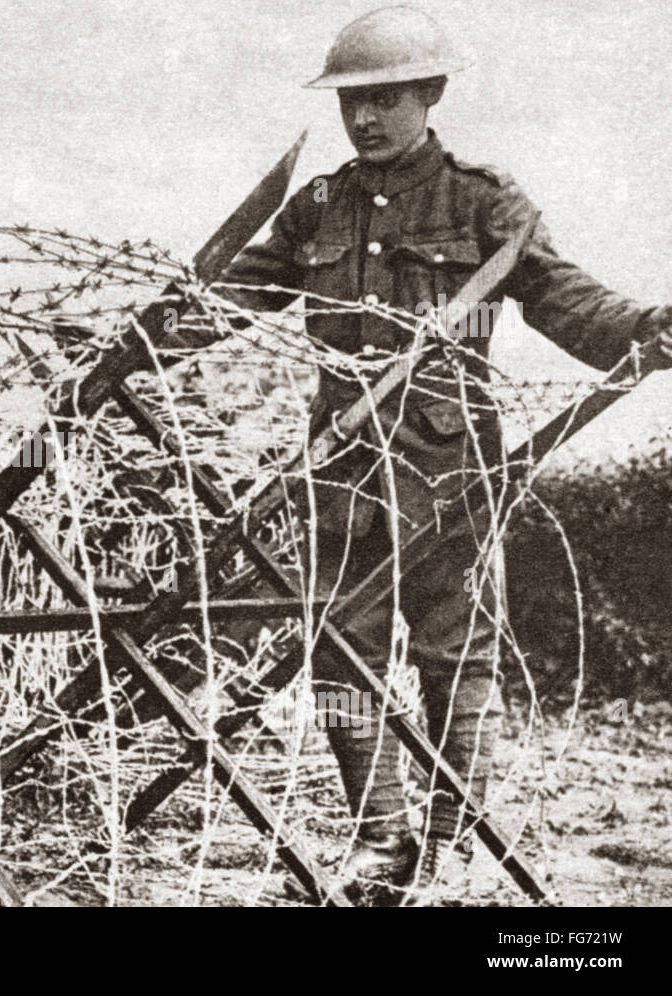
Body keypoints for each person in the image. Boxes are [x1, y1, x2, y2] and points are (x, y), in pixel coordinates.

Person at [189, 5, 672, 904]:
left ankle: (458, 837)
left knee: (456, 657)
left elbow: (563, 299)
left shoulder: (485, 201)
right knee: (341, 659)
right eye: (352, 103)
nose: (365, 118)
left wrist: (645, 329)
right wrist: (139, 336)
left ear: (430, 94)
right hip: (341, 471)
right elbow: (233, 298)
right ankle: (379, 837)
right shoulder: (319, 208)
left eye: (385, 99)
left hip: (449, 470)